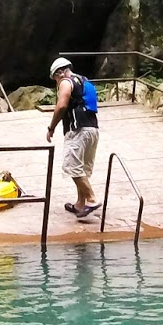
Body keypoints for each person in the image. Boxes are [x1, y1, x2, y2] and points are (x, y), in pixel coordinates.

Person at [46, 57, 101, 221]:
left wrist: (51, 127)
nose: (57, 82)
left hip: (78, 130)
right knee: (82, 168)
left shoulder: (66, 82)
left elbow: (62, 105)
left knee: (72, 167)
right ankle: (80, 204)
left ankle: (92, 199)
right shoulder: (84, 80)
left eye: (55, 78)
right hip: (93, 129)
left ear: (60, 73)